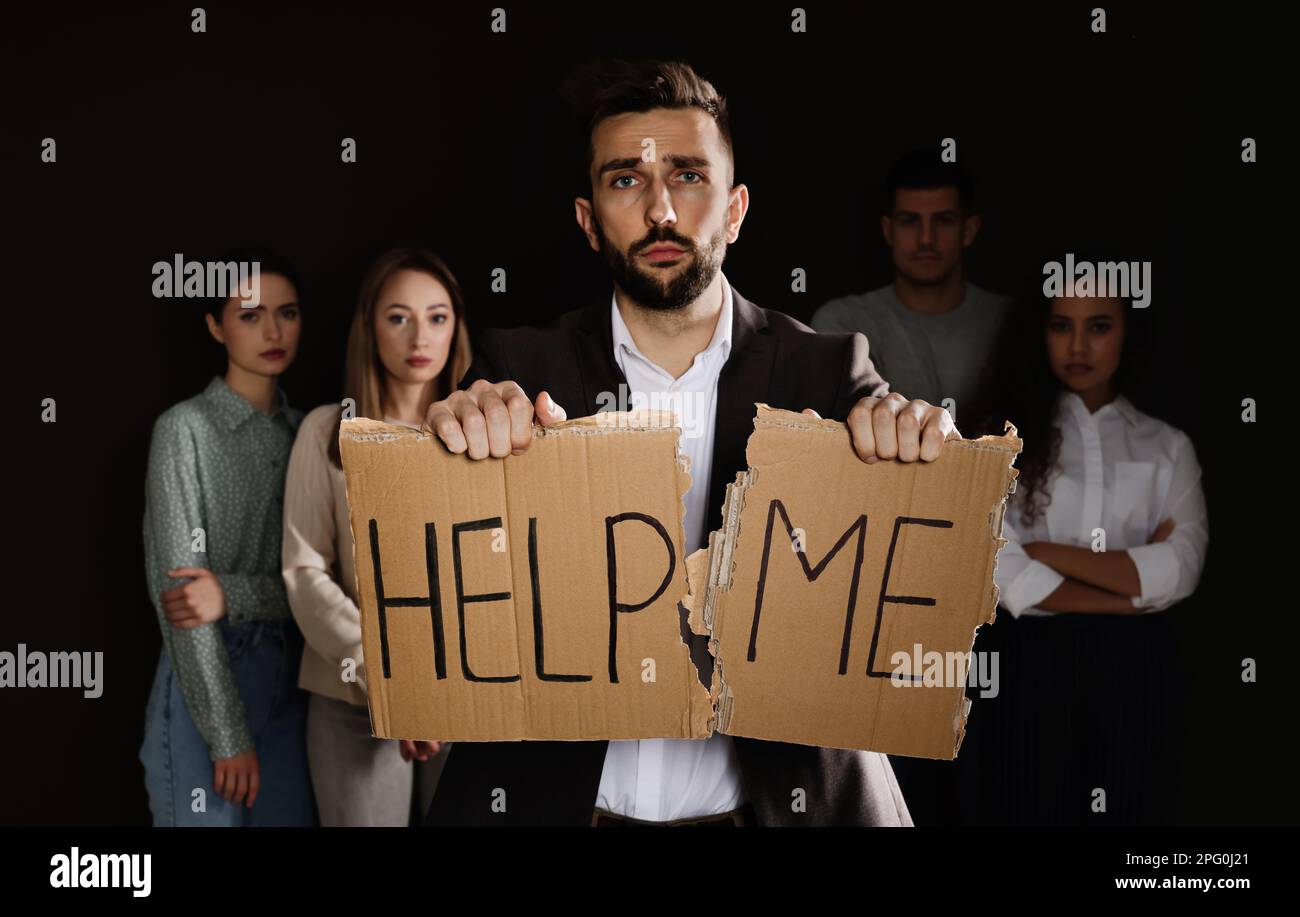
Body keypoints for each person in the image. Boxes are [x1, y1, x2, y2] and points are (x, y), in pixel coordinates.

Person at [418, 59, 958, 827]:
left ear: (735, 210)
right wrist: (457, 432)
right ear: (587, 218)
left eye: (689, 176)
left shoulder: (829, 370)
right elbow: (451, 536)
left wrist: (913, 433)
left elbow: (907, 454)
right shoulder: (517, 368)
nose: (662, 210)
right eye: (626, 181)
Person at [973, 281, 1208, 824]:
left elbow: (1182, 567)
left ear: (1129, 331)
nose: (1078, 346)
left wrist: (1045, 548)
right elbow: (997, 567)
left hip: (1134, 671)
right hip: (1028, 665)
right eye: (1062, 326)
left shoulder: (1166, 446)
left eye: (1099, 326)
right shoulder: (1001, 438)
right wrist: (1126, 593)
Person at [281, 247, 472, 825]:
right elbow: (305, 570)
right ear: (370, 327)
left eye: (437, 316)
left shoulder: (479, 434)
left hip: (464, 693)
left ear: (456, 329)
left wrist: (436, 691)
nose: (420, 335)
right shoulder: (327, 432)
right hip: (350, 696)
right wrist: (387, 681)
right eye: (399, 317)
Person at [139, 247, 316, 825]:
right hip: (208, 676)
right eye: (250, 314)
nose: (273, 330)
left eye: (287, 313)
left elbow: (322, 585)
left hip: (295, 681)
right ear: (216, 325)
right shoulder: (183, 430)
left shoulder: (309, 434)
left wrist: (232, 592)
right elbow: (186, 604)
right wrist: (227, 736)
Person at [811, 148, 1012, 429]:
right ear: (888, 230)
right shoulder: (845, 324)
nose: (926, 239)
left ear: (968, 230)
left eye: (943, 220)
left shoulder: (1009, 322)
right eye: (910, 221)